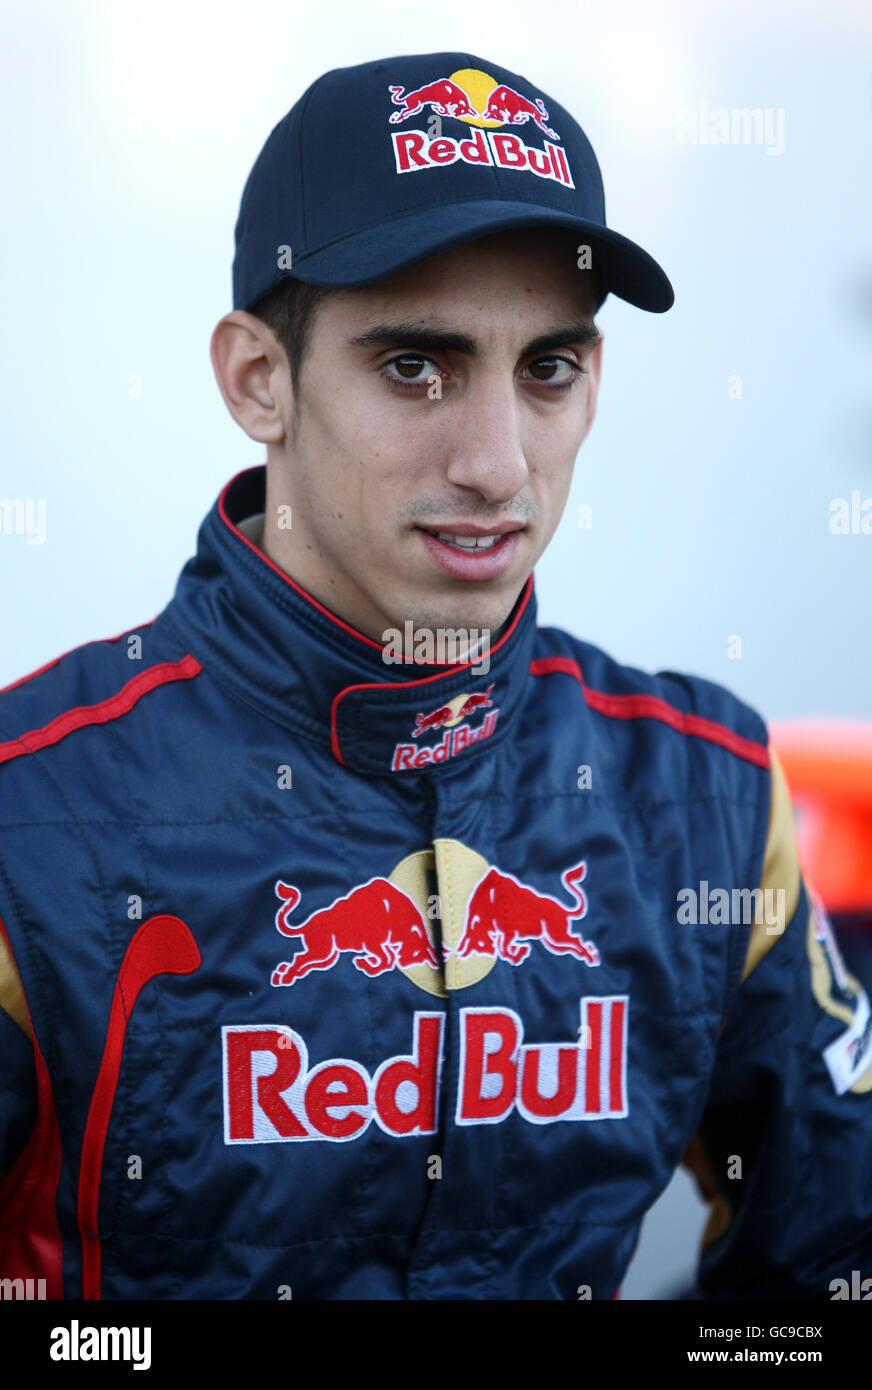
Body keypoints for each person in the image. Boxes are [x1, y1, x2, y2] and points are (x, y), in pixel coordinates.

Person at [0, 51, 869, 1302]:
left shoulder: (705, 795)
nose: (497, 464)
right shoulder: (34, 822)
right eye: (417, 366)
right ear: (258, 379)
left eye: (546, 370)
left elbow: (832, 1254)